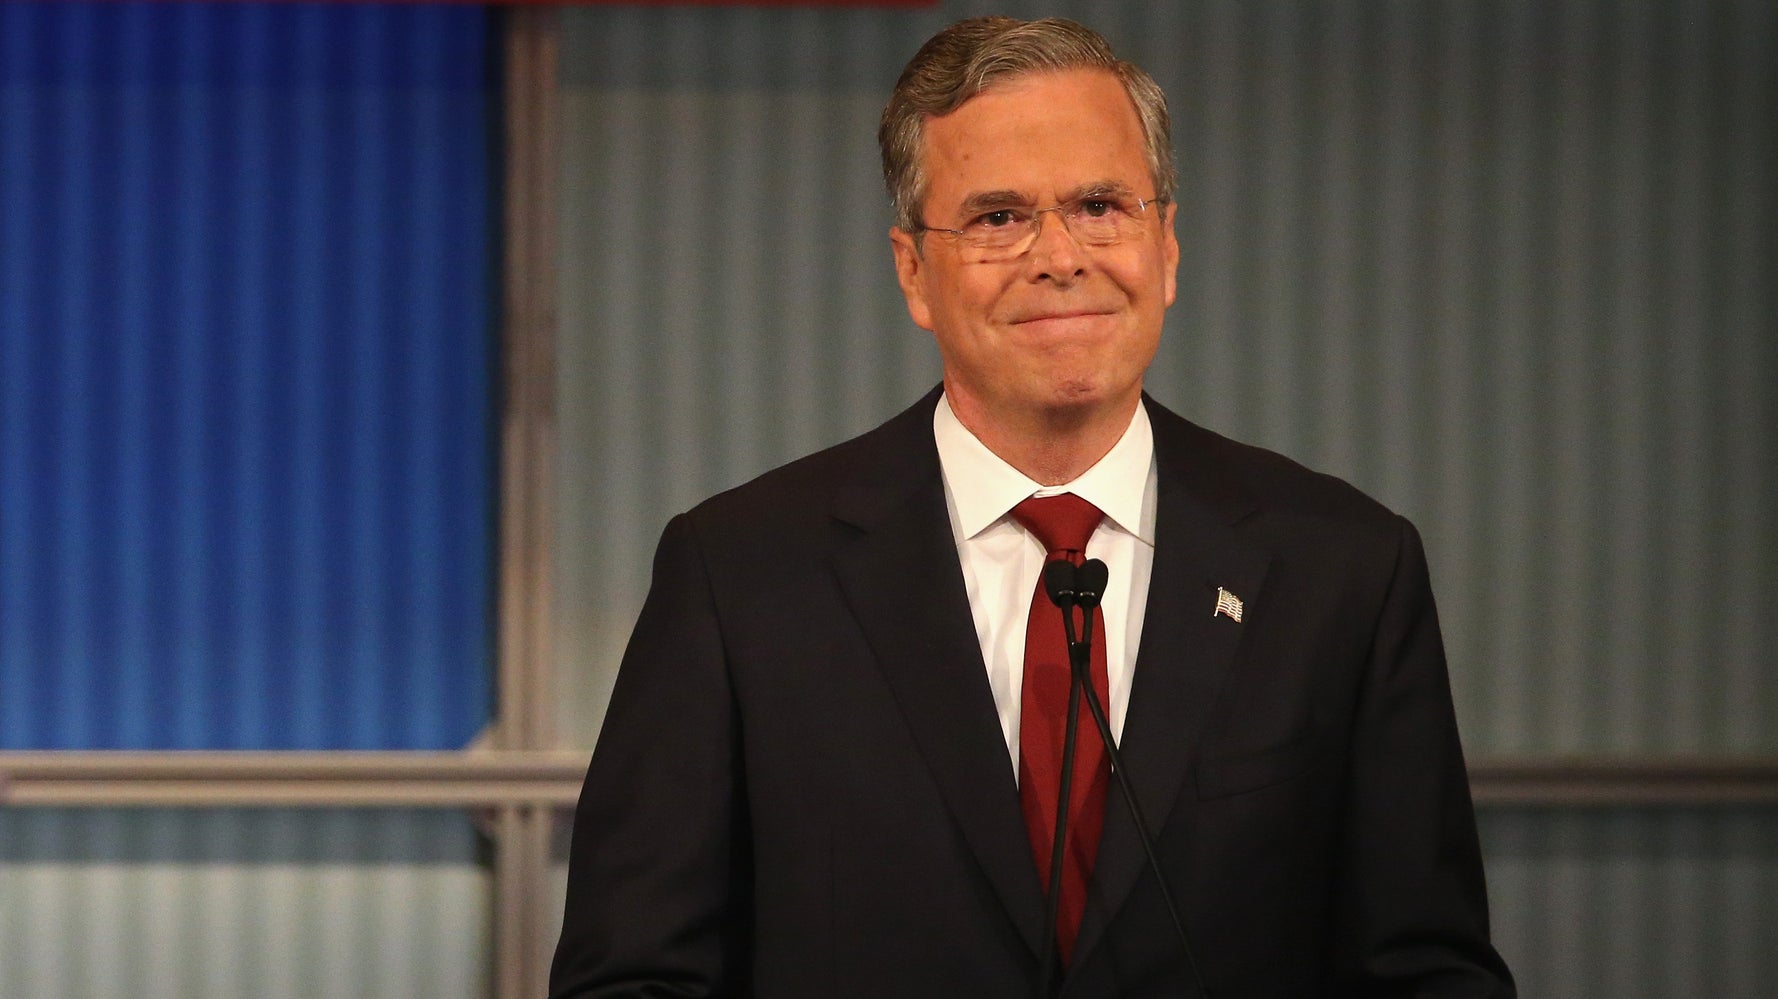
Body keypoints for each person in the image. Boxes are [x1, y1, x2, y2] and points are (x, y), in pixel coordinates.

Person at [551, 16, 1513, 998]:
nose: (1058, 256)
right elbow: (633, 975)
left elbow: (1423, 969)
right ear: (911, 272)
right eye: (997, 218)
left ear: (1166, 247)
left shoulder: (1341, 568)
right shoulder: (741, 573)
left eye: (1100, 205)